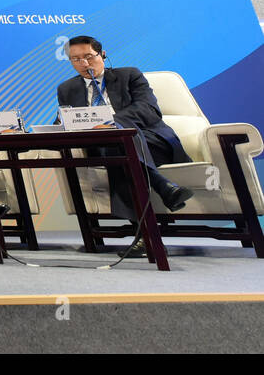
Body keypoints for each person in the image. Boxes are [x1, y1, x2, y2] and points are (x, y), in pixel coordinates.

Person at [56, 36, 192, 246]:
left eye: (88, 57)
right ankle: (163, 187)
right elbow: (64, 120)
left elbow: (149, 110)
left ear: (102, 54)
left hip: (150, 141)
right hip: (104, 148)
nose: (83, 64)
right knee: (115, 148)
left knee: (118, 142)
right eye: (76, 60)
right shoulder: (67, 88)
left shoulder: (129, 75)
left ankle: (145, 234)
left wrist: (108, 123)